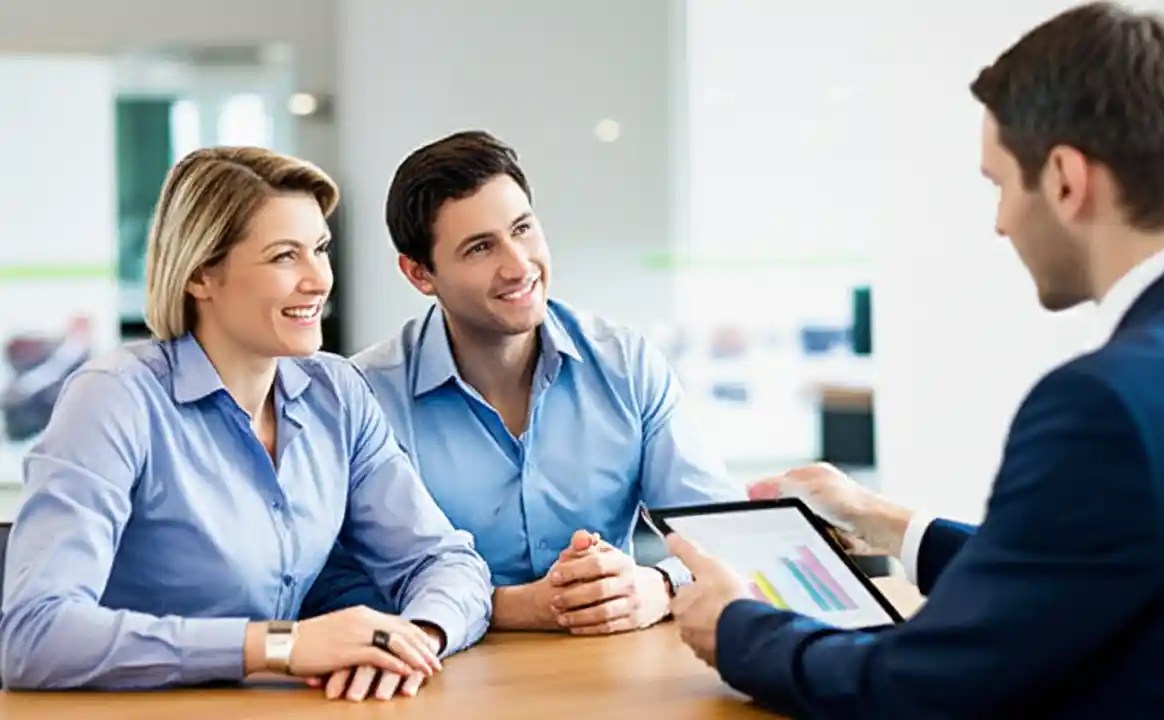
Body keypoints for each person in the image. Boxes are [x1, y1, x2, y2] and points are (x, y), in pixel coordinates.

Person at [663, 3, 1164, 717]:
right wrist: (888, 522)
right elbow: (1080, 570)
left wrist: (739, 629)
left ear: (1064, 179)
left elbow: (922, 688)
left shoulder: (1107, 402)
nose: (999, 222)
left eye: (998, 184)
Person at [0, 147, 493, 703]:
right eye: (285, 257)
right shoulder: (115, 399)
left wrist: (411, 640)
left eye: (321, 250)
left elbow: (444, 561)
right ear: (202, 274)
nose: (317, 280)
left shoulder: (337, 394)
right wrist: (279, 645)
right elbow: (33, 635)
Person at [303, 131, 743, 637]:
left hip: (615, 669)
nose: (519, 266)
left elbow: (724, 535)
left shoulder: (624, 362)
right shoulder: (366, 395)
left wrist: (657, 587)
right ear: (420, 274)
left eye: (523, 229)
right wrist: (507, 606)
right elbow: (338, 587)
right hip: (445, 682)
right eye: (480, 248)